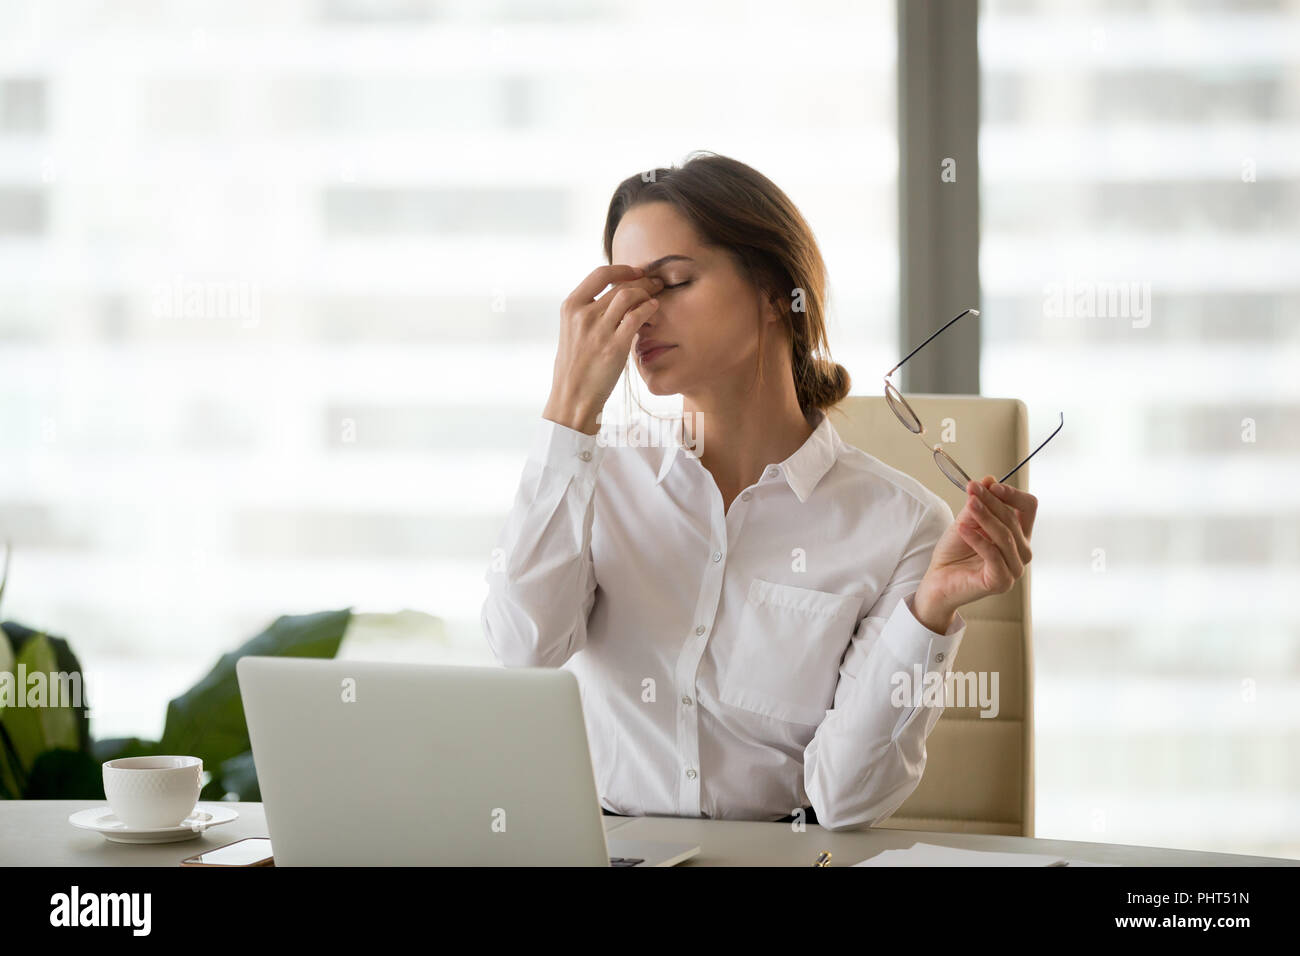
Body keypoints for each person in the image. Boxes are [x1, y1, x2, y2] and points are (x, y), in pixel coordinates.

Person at [482, 151, 1037, 830]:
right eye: (627, 295)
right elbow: (523, 648)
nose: (639, 320)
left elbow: (844, 799)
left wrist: (927, 615)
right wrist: (568, 415)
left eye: (673, 283)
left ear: (777, 292)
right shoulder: (595, 476)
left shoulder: (902, 526)